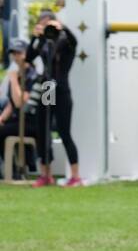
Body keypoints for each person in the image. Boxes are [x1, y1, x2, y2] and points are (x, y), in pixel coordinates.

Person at [26, 11, 81, 186]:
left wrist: (62, 26)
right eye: (43, 24)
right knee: (43, 130)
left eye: (49, 24)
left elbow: (75, 41)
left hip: (62, 87)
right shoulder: (44, 43)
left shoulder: (65, 42)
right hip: (48, 87)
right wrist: (35, 37)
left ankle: (75, 176)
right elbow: (29, 57)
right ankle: (45, 174)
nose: (47, 27)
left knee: (64, 132)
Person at [0, 40, 40, 177]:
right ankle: (11, 170)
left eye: (19, 53)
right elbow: (11, 104)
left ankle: (15, 171)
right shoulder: (17, 75)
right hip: (17, 120)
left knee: (3, 131)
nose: (16, 57)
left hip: (30, 121)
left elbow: (19, 103)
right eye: (13, 53)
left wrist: (14, 80)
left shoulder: (33, 75)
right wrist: (1, 118)